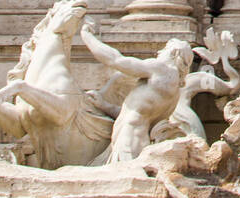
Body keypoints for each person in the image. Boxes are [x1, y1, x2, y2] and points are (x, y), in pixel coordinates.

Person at [79, 24, 193, 163]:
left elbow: (116, 60)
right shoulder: (174, 93)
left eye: (163, 49)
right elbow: (135, 112)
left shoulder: (162, 69)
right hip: (134, 140)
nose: (158, 52)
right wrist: (105, 106)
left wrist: (87, 36)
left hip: (128, 142)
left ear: (173, 53)